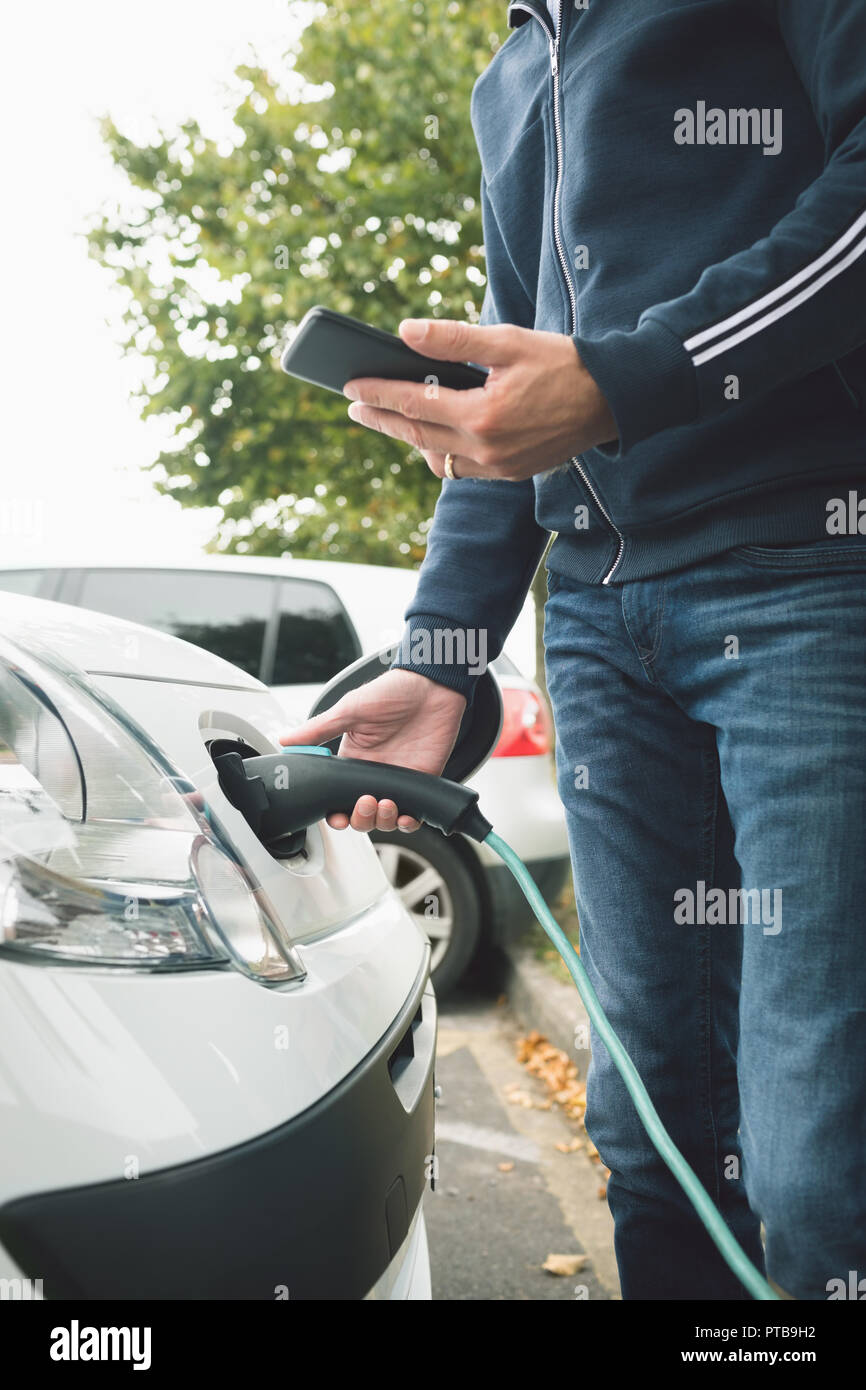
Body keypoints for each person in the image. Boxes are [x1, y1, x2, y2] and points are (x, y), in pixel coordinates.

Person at [283, 0, 866, 1300]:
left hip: (811, 573)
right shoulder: (510, 73)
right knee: (649, 1131)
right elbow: (511, 413)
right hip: (601, 628)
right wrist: (439, 654)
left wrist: (629, 373)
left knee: (823, 1166)